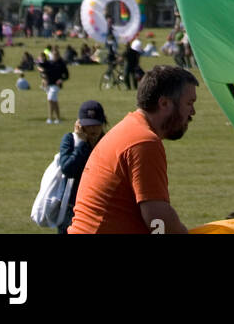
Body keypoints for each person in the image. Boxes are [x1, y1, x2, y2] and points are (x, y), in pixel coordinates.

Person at [68, 65, 198, 234]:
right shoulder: (144, 142)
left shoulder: (129, 129)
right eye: (189, 103)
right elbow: (157, 219)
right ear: (164, 103)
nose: (193, 112)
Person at [57, 100, 108, 234]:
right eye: (88, 125)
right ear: (79, 125)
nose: (92, 129)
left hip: (100, 207)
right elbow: (67, 169)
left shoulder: (108, 142)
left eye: (96, 125)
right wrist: (81, 144)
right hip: (72, 208)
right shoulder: (70, 140)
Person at [43, 46, 69, 125]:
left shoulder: (61, 64)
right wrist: (44, 80)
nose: (55, 56)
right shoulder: (49, 63)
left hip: (56, 85)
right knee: (53, 102)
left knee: (50, 99)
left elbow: (67, 75)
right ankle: (55, 118)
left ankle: (51, 118)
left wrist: (61, 79)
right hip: (49, 85)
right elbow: (44, 72)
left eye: (56, 55)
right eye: (53, 55)